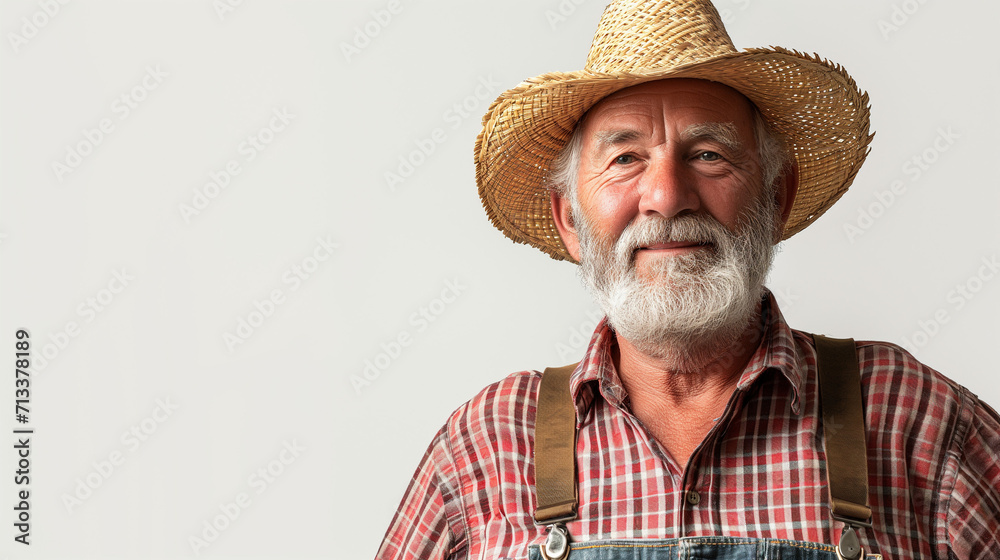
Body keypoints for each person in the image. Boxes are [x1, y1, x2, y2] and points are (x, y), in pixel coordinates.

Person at [376, 0, 1000, 559]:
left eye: (709, 154)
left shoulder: (914, 417)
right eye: (626, 159)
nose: (667, 197)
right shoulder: (488, 444)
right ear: (570, 219)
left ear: (775, 198)